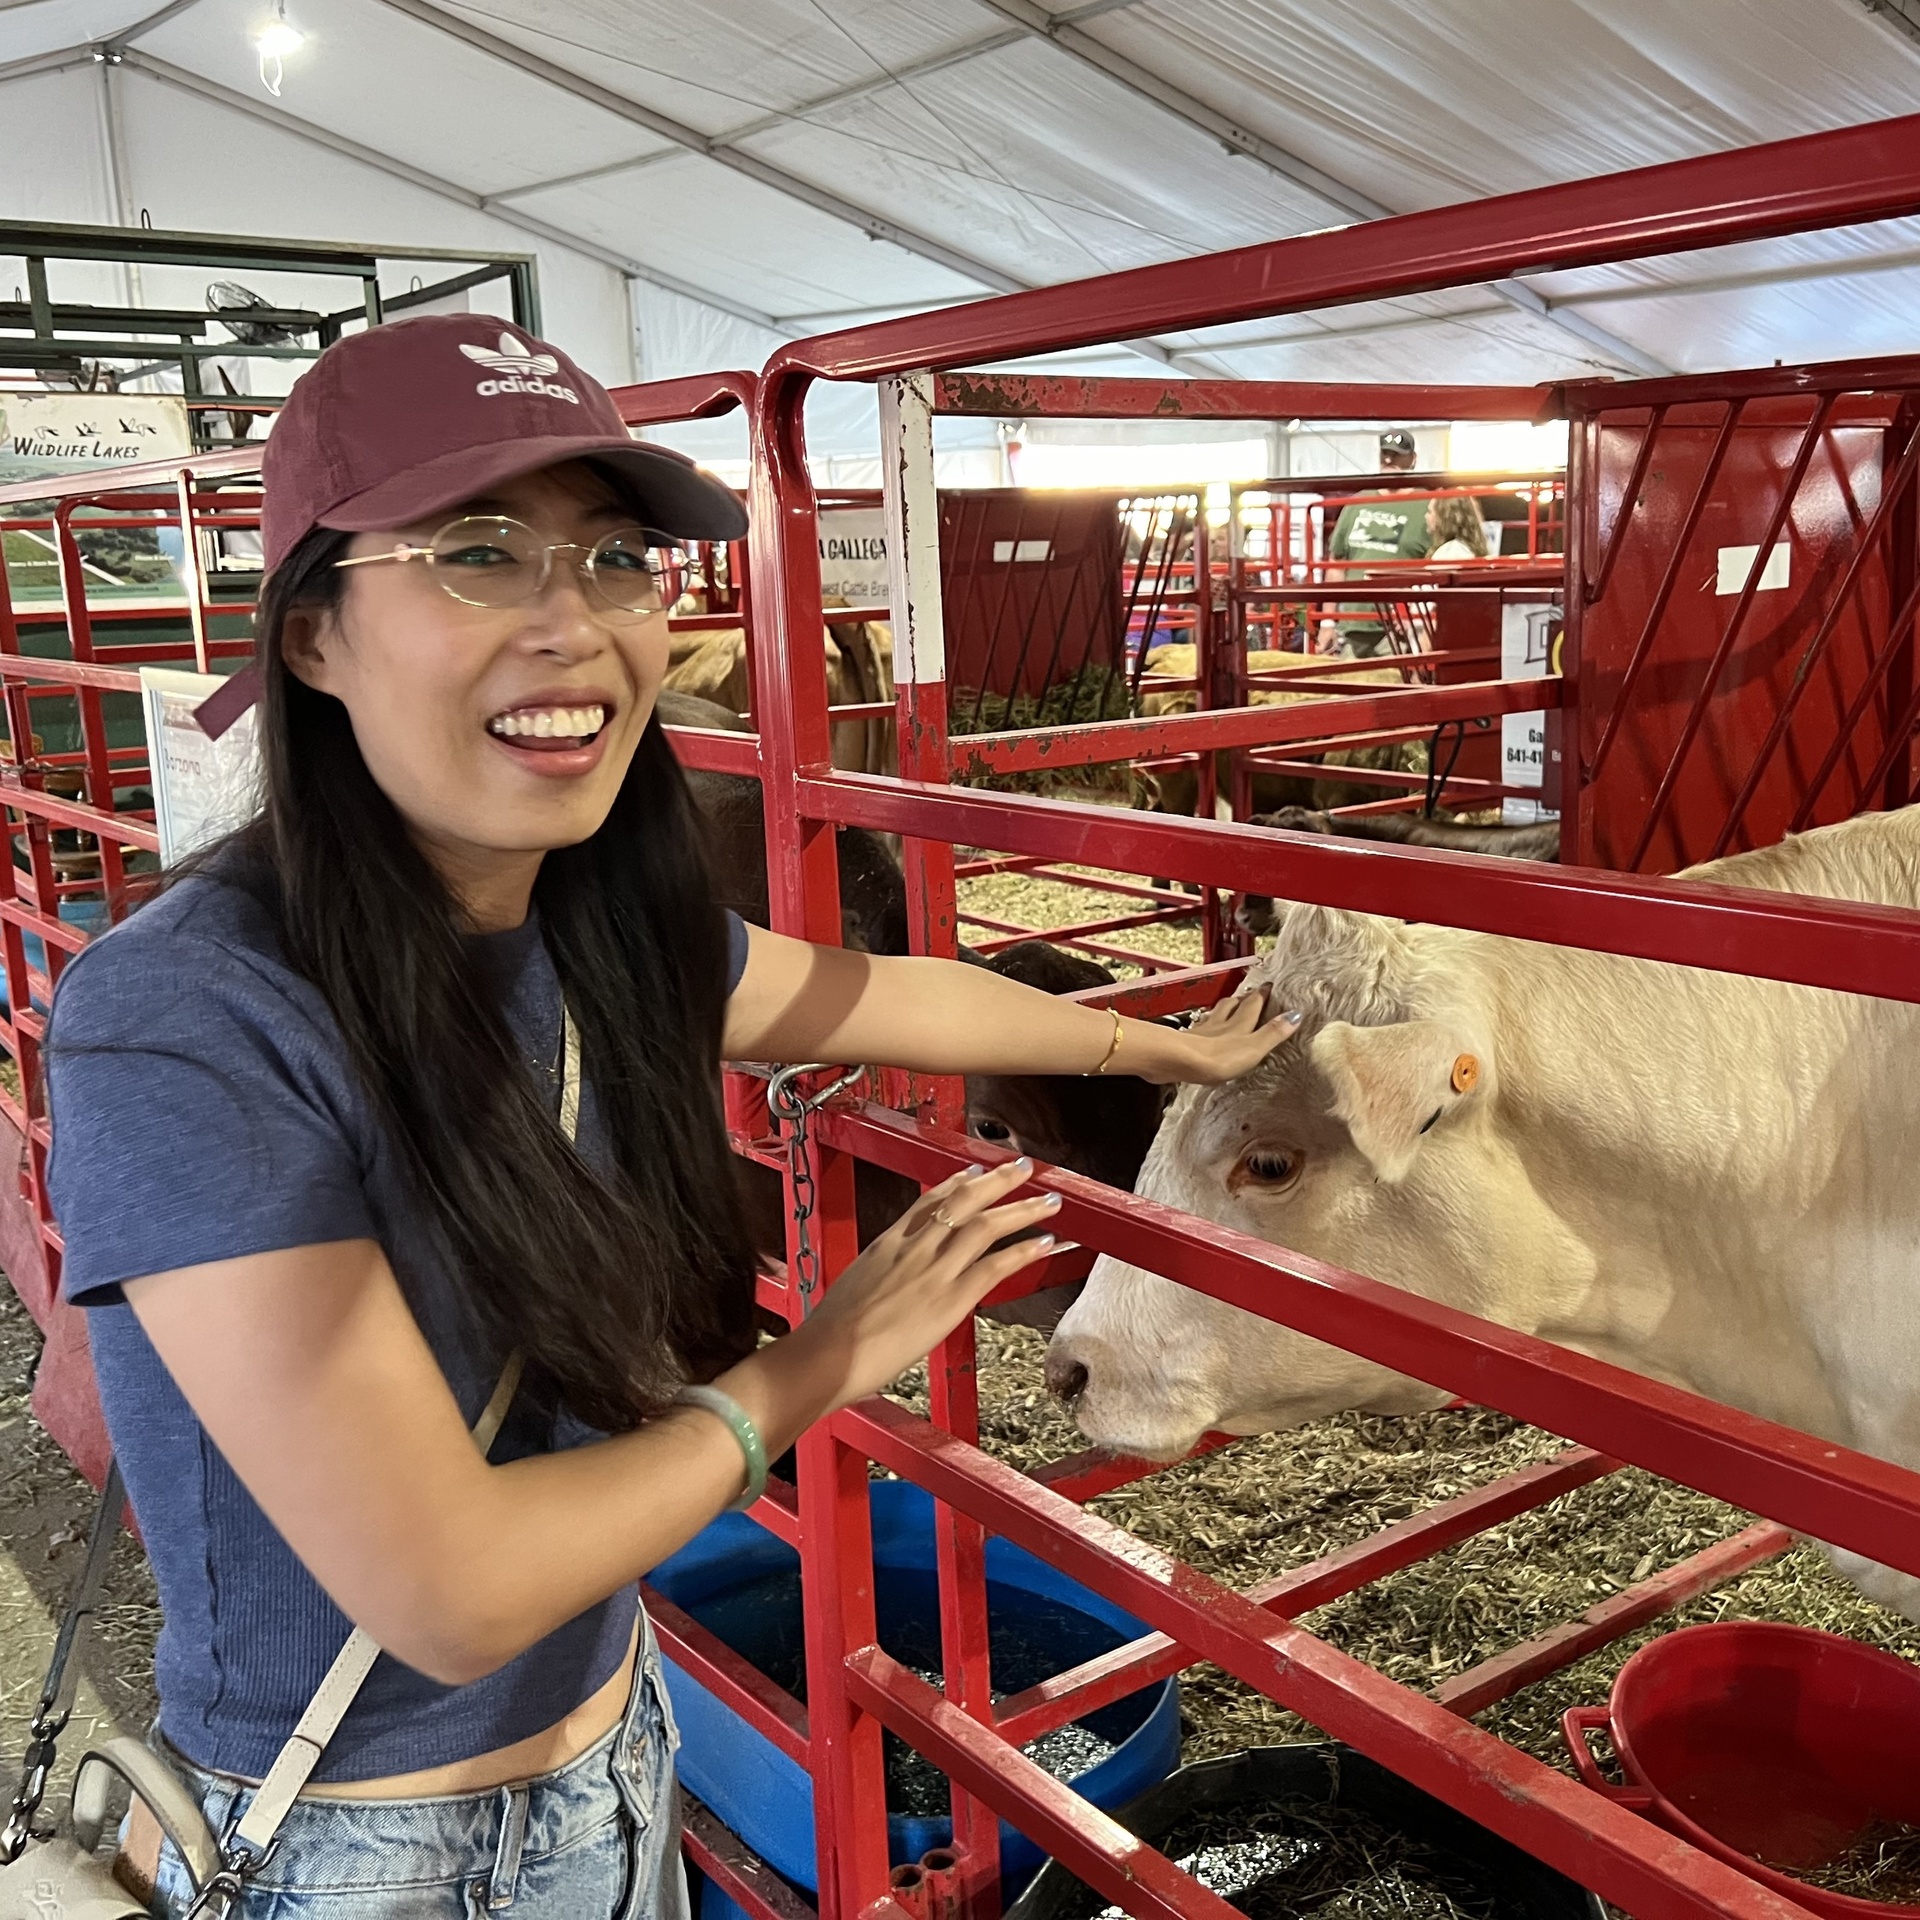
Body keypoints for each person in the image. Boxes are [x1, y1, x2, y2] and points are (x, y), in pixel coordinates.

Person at [41, 315, 1298, 1920]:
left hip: (624, 1750)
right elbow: (451, 1588)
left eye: (616, 555)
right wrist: (830, 1355)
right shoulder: (189, 1019)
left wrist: (1155, 1050)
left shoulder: (590, 931)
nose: (573, 623)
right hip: (360, 1849)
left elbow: (881, 995)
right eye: (476, 554)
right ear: (311, 638)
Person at [1316, 428, 1432, 658]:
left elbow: (1439, 566)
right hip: (1353, 625)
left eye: (1397, 455)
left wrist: (1417, 617)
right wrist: (1327, 621)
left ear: (1413, 459)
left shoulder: (1428, 504)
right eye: (1385, 454)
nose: (1388, 460)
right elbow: (1336, 564)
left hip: (1400, 628)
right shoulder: (1358, 501)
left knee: (1394, 679)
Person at [1426, 493, 1491, 561]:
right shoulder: (1463, 548)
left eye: (1430, 512)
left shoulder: (1450, 552)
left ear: (1442, 517)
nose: (1426, 516)